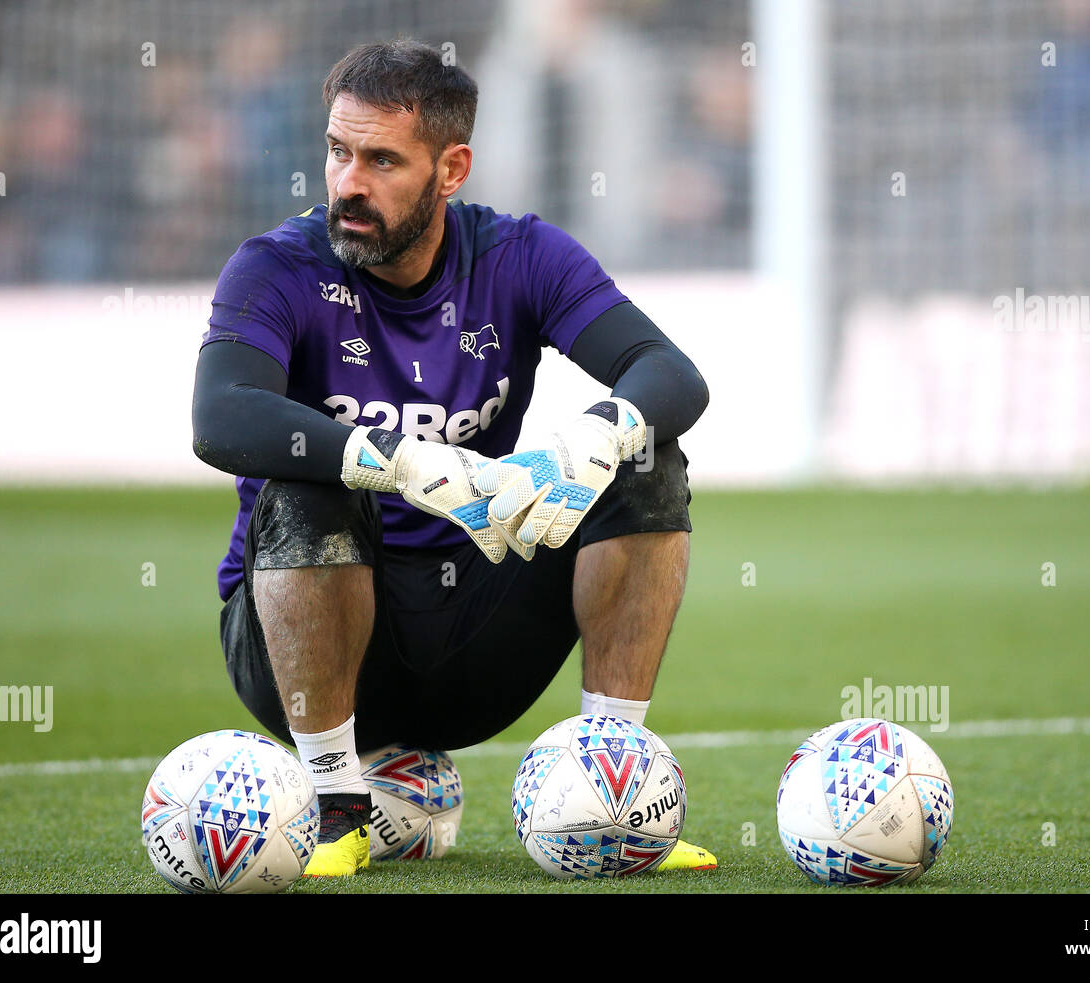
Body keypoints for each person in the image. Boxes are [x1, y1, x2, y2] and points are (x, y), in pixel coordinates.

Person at [191, 39, 711, 879]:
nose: (348, 183)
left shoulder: (520, 255)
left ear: (451, 167)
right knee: (310, 479)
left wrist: (593, 436)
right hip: (300, 653)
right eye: (337, 152)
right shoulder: (277, 266)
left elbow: (672, 375)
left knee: (647, 457)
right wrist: (394, 460)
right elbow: (220, 418)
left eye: (382, 160)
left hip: (475, 636)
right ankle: (334, 809)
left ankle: (621, 793)